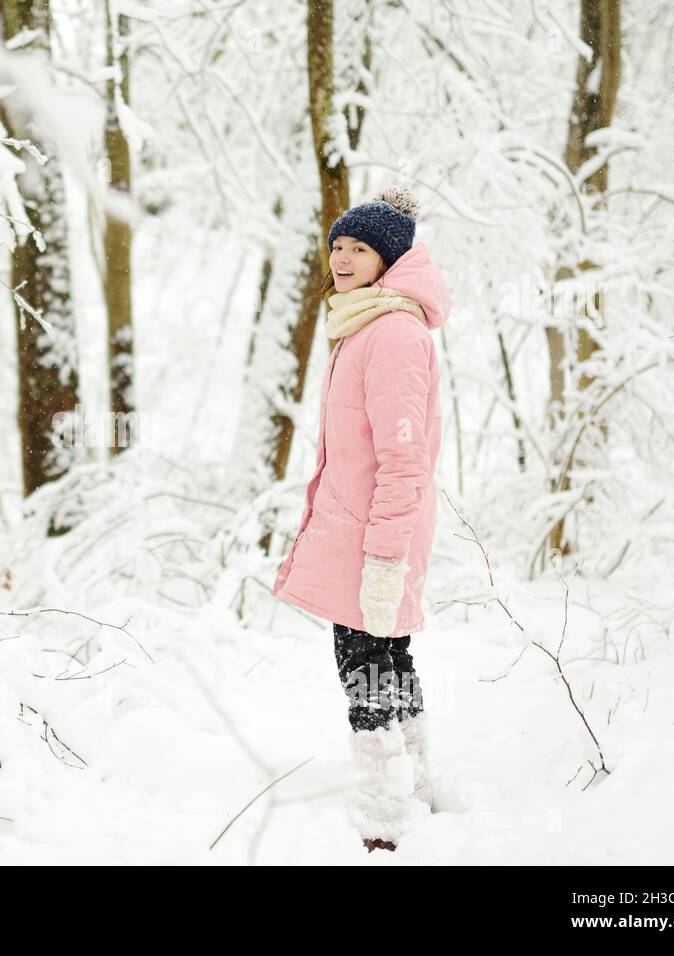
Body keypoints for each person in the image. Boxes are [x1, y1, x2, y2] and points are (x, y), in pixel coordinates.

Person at [270, 185, 453, 853]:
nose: (343, 258)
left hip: (376, 534)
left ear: (389, 259)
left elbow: (403, 459)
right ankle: (418, 786)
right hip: (360, 527)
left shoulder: (394, 333)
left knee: (366, 659)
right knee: (384, 655)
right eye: (337, 246)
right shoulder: (366, 322)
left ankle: (384, 817)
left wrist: (384, 558)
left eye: (360, 248)